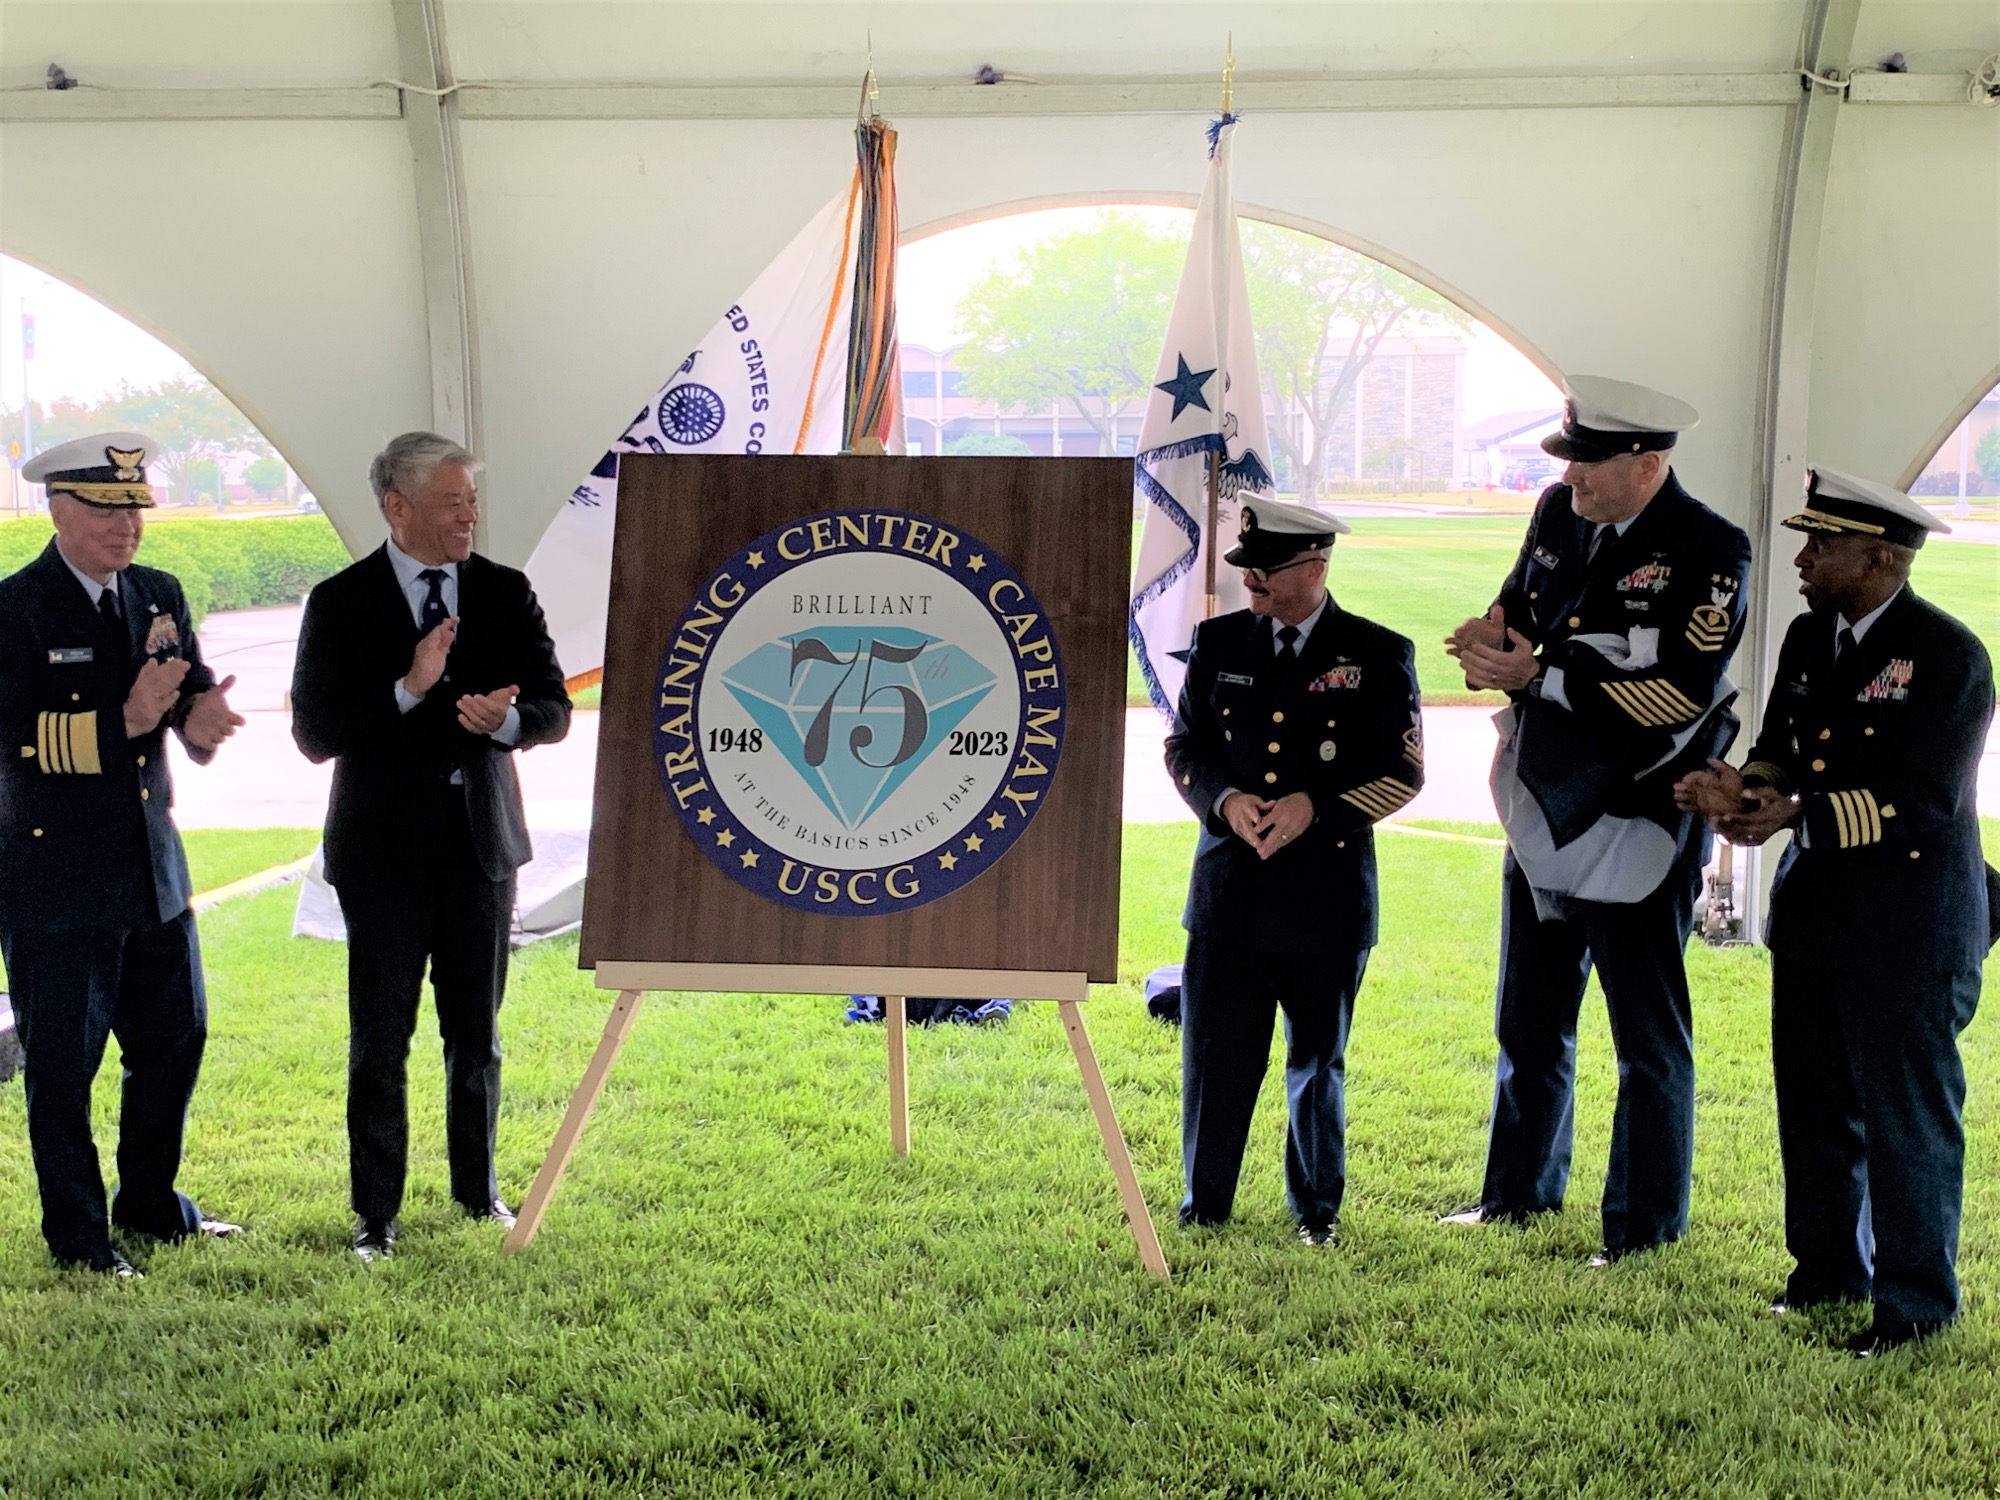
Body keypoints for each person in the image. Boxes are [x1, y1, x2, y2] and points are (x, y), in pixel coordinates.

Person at [1676, 468, 1995, 1355]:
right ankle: (1823, 1276)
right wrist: (1745, 787)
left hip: (1910, 923)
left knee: (1906, 1119)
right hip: (1817, 912)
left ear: (1883, 557)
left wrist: (1798, 813)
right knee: (1814, 1109)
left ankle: (1916, 1307)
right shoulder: (1810, 636)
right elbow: (1782, 748)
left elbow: (1926, 799)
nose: (1805, 559)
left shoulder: (1950, 656)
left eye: (1824, 545)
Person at [1442, 376, 1752, 1264]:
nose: (1571, 477)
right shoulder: (1555, 512)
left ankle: (1644, 1229)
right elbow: (1519, 615)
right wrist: (1488, 645)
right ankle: (1516, 1196)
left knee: (1646, 1037)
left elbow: (1676, 695)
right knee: (1529, 1016)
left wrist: (1539, 676)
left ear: (1649, 464)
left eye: (1590, 463)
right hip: (1544, 801)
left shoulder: (1708, 548)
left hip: (1640, 814)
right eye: (1569, 459)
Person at [291, 432, 570, 1262]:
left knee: (475, 1033)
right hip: (382, 859)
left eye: (472, 500)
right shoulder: (340, 602)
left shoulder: (506, 592)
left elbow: (553, 706)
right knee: (381, 1039)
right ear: (398, 507)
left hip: (481, 850)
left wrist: (510, 723)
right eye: (453, 501)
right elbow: (314, 733)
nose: (469, 515)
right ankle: (375, 1216)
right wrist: (409, 690)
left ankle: (477, 1191)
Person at [0, 433, 246, 1276]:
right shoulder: (15, 609)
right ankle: (79, 1237)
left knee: (175, 1042)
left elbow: (188, 690)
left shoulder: (156, 592)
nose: (128, 527)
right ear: (60, 509)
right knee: (64, 1066)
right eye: (109, 509)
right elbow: (10, 741)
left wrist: (199, 723)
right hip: (56, 880)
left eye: (136, 508)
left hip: (153, 868)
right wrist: (126, 723)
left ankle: (149, 1204)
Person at [1164, 497, 1424, 1246]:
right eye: (1246, 568)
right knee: (1217, 1059)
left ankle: (1317, 1211)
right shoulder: (1218, 644)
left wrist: (1320, 808)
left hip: (1327, 895)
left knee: (1317, 1059)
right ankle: (1203, 1203)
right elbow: (1186, 748)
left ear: (1315, 568)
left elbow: (1403, 772)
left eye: (1266, 570)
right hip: (1229, 892)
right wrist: (1224, 800)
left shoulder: (1375, 652)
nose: (1251, 582)